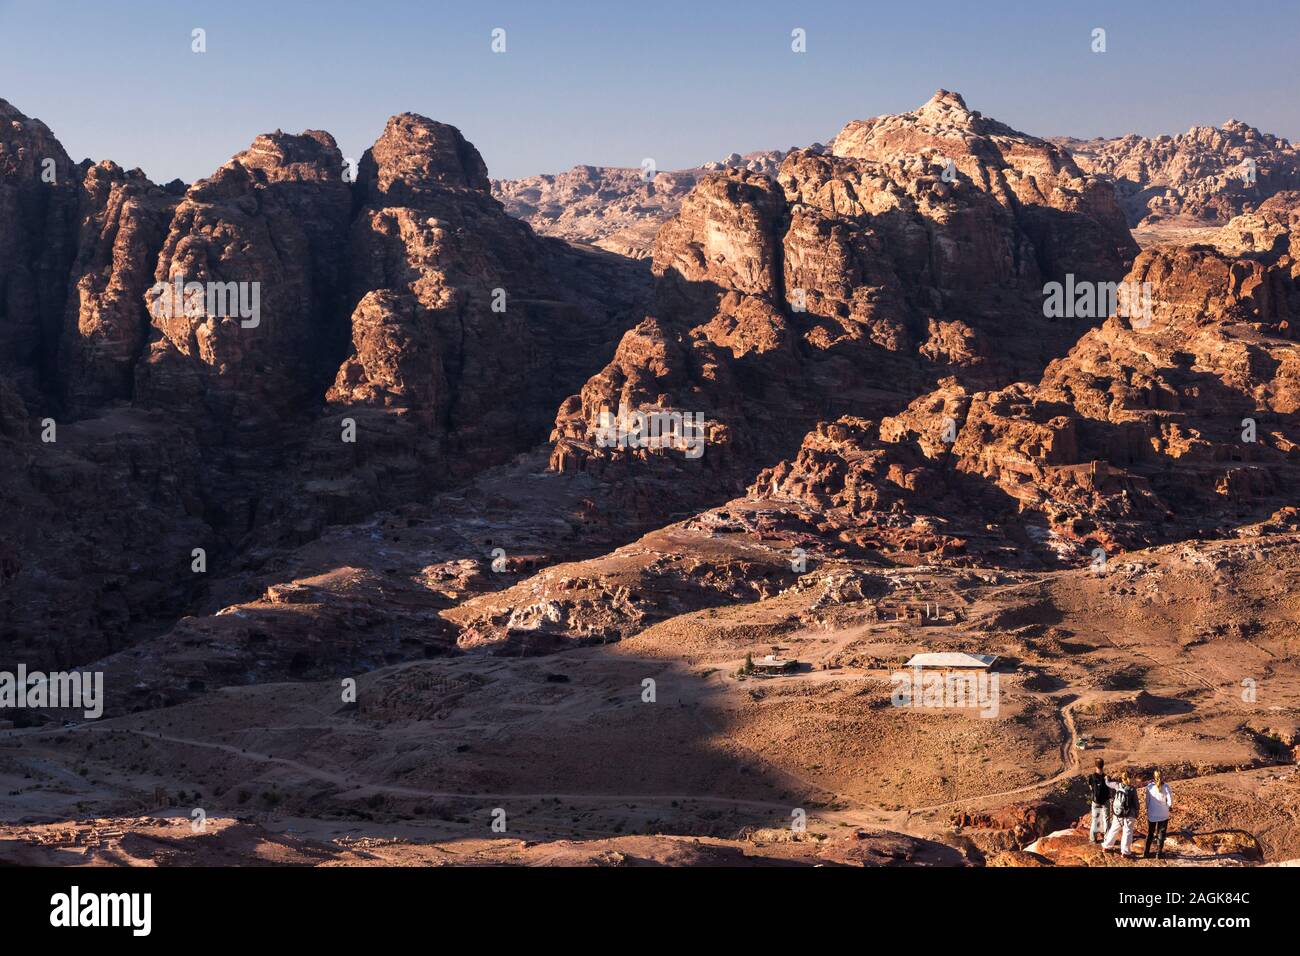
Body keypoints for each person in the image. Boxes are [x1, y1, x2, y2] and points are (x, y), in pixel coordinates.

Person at [1101, 770, 1138, 857]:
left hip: (1118, 813)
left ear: (1122, 778)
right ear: (1130, 778)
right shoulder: (1132, 789)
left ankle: (1106, 847)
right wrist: (1136, 813)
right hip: (1129, 814)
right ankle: (1125, 852)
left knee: (1114, 829)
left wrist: (1106, 778)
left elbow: (1108, 783)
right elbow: (1136, 803)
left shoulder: (1117, 785)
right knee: (1127, 831)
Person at [1143, 769, 1173, 859]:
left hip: (1152, 813)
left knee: (1150, 833)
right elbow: (1170, 802)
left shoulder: (1149, 787)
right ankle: (1158, 853)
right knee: (1161, 833)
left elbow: (1147, 801)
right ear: (1162, 776)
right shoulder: (1166, 787)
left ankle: (1146, 852)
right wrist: (1168, 807)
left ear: (1154, 776)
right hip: (1163, 814)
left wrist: (1148, 809)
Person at [1086, 758, 1109, 843]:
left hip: (1095, 801)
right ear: (1103, 765)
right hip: (1105, 801)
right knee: (1106, 820)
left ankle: (1093, 839)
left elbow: (1091, 788)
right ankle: (1107, 839)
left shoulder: (1091, 777)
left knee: (1095, 819)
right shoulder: (1106, 777)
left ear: (1095, 765)